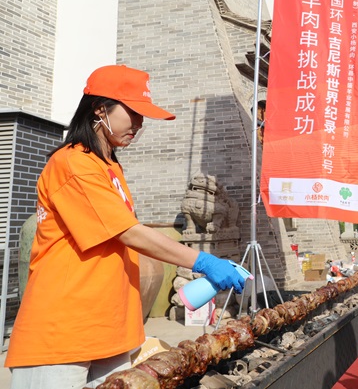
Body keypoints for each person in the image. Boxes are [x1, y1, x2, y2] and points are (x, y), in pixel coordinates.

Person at [5, 65, 248, 389]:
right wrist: (201, 261)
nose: (139, 123)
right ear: (100, 109)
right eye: (132, 112)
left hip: (108, 330)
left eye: (142, 115)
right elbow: (128, 232)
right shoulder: (73, 163)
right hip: (62, 332)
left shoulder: (109, 168)